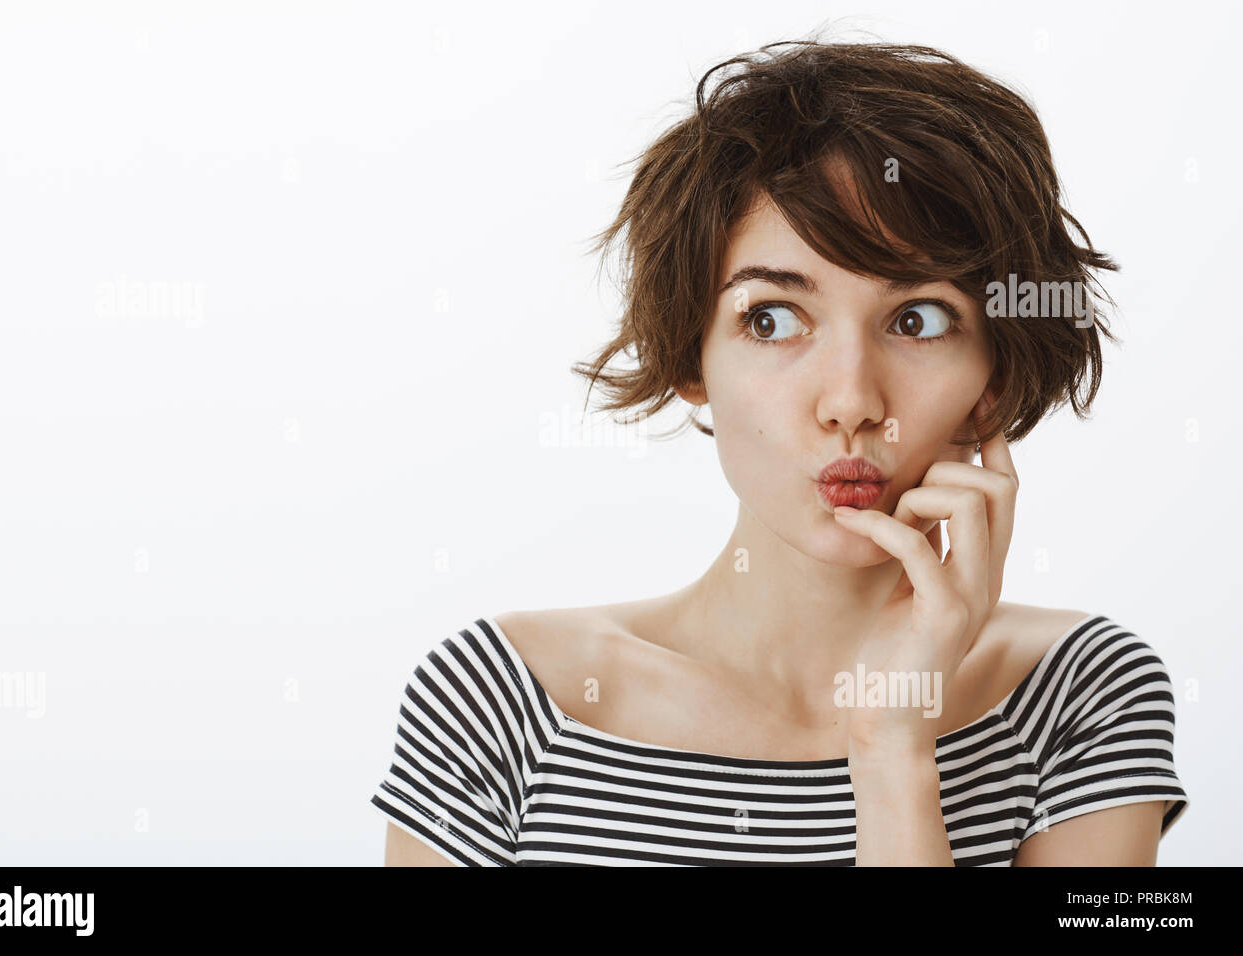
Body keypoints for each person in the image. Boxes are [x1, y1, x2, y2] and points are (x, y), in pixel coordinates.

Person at [372, 34, 1189, 866]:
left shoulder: (1081, 695)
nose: (850, 403)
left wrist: (891, 748)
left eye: (919, 321)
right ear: (692, 356)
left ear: (993, 376)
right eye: (771, 320)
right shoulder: (501, 700)